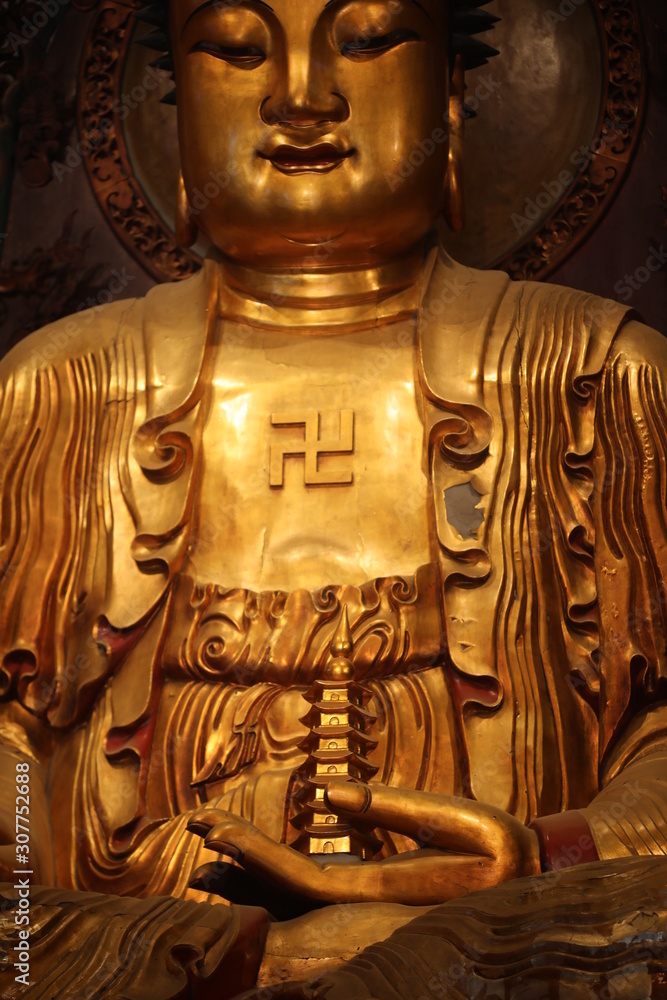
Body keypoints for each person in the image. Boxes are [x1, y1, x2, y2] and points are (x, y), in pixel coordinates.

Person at [0, 0, 666, 995]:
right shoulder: (57, 392)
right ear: (176, 114)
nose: (300, 98)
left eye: (364, 39)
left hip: (497, 954)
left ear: (448, 94)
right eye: (234, 48)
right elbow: (14, 744)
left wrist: (533, 856)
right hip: (145, 947)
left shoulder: (593, 379)